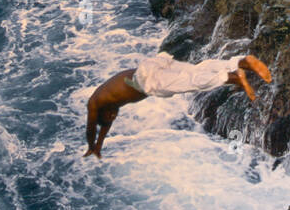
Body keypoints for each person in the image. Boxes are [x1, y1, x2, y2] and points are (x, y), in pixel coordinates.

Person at [83, 52, 273, 158]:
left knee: (189, 83)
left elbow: (91, 127)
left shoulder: (95, 103)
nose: (113, 117)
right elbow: (103, 128)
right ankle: (241, 62)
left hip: (148, 80)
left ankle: (233, 78)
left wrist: (90, 144)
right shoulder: (109, 105)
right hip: (153, 65)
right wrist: (98, 147)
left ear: (103, 114)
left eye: (110, 117)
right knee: (194, 71)